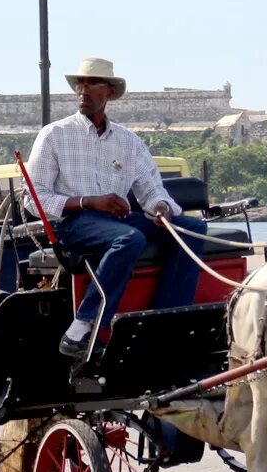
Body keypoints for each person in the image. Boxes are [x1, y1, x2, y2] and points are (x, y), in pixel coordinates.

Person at [24, 57, 207, 359]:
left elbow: (151, 189)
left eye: (92, 83)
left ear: (109, 92)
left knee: (193, 228)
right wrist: (87, 201)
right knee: (130, 238)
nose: (83, 90)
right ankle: (83, 326)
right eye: (80, 84)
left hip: (116, 222)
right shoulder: (54, 135)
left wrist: (160, 207)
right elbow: (33, 199)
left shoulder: (128, 141)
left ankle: (165, 319)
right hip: (74, 223)